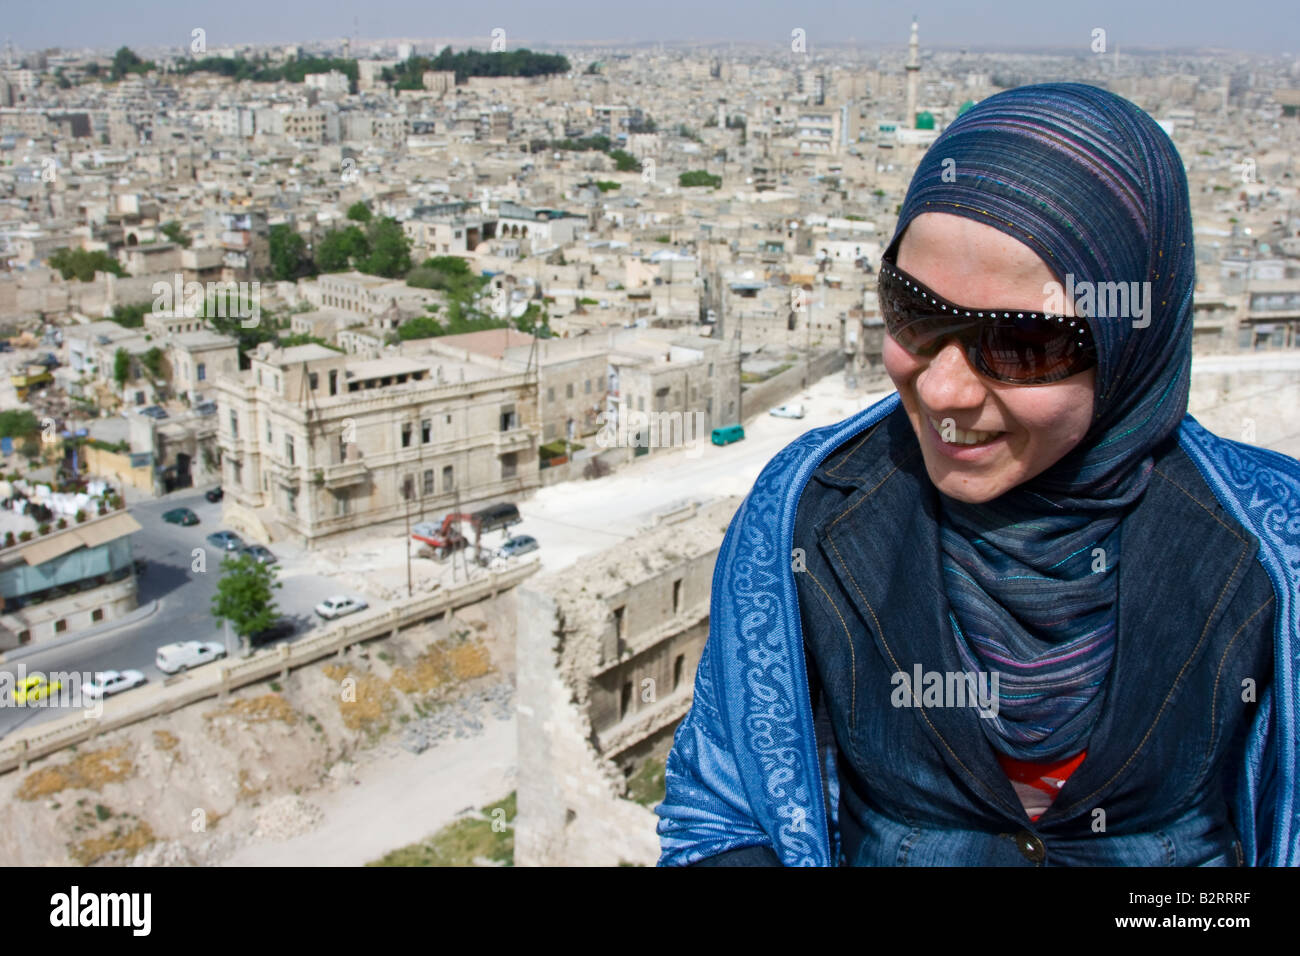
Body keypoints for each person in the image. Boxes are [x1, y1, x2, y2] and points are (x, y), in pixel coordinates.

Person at [655, 82, 1300, 867]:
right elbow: (723, 815)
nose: (943, 391)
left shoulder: (1269, 547)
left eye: (1024, 346)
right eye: (913, 313)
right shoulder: (810, 512)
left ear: (1138, 339)